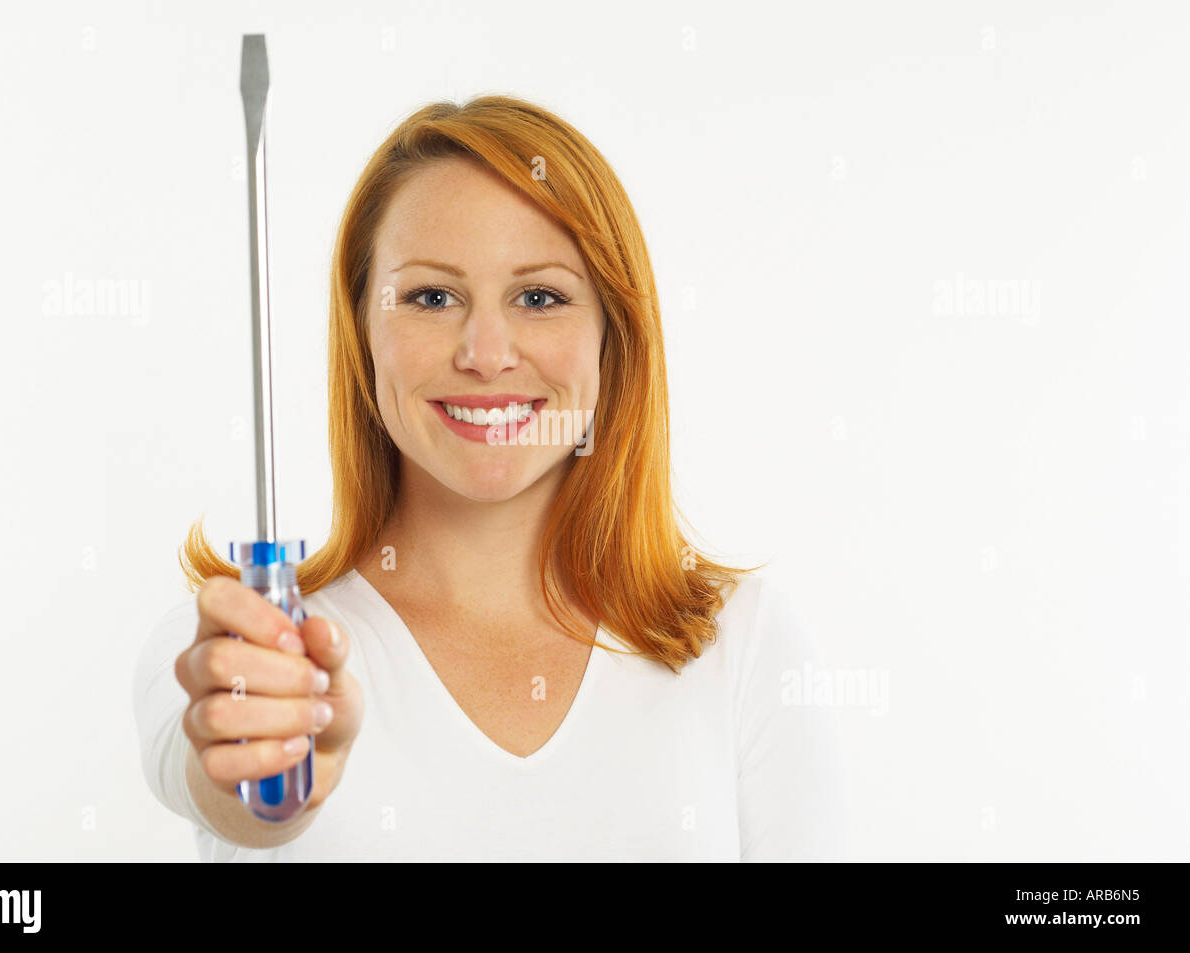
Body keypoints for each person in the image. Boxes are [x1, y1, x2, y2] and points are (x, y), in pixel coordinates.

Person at [132, 95, 850, 861]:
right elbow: (212, 777)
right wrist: (262, 785)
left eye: (539, 296)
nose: (485, 351)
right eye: (431, 297)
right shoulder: (236, 650)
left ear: (612, 335)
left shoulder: (742, 643)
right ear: (364, 331)